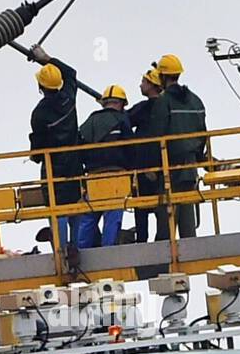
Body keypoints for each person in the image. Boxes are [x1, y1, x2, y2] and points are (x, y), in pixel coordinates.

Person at [148, 53, 207, 239]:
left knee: (166, 223)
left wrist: (152, 167)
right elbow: (203, 133)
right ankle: (190, 258)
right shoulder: (195, 100)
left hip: (170, 169)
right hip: (190, 168)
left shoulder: (163, 101)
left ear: (163, 77)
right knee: (188, 221)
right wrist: (198, 157)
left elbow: (157, 135)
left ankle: (164, 262)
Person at [28, 47, 80, 251]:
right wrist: (45, 58)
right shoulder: (68, 97)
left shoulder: (39, 113)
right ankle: (76, 246)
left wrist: (34, 154)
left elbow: (38, 150)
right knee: (76, 206)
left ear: (40, 86)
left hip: (53, 167)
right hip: (74, 163)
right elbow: (71, 73)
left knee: (56, 208)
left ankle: (60, 248)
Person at [77, 85, 131, 248]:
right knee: (113, 215)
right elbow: (131, 148)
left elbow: (79, 146)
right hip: (116, 175)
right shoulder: (122, 120)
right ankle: (109, 251)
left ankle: (82, 250)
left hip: (93, 176)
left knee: (89, 215)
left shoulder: (91, 121)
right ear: (121, 104)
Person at [126, 68, 163, 243]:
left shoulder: (144, 107)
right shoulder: (165, 107)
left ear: (152, 85)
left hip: (143, 164)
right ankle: (163, 239)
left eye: (143, 81)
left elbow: (125, 120)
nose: (140, 84)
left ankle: (142, 241)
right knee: (162, 206)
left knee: (141, 206)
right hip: (163, 165)